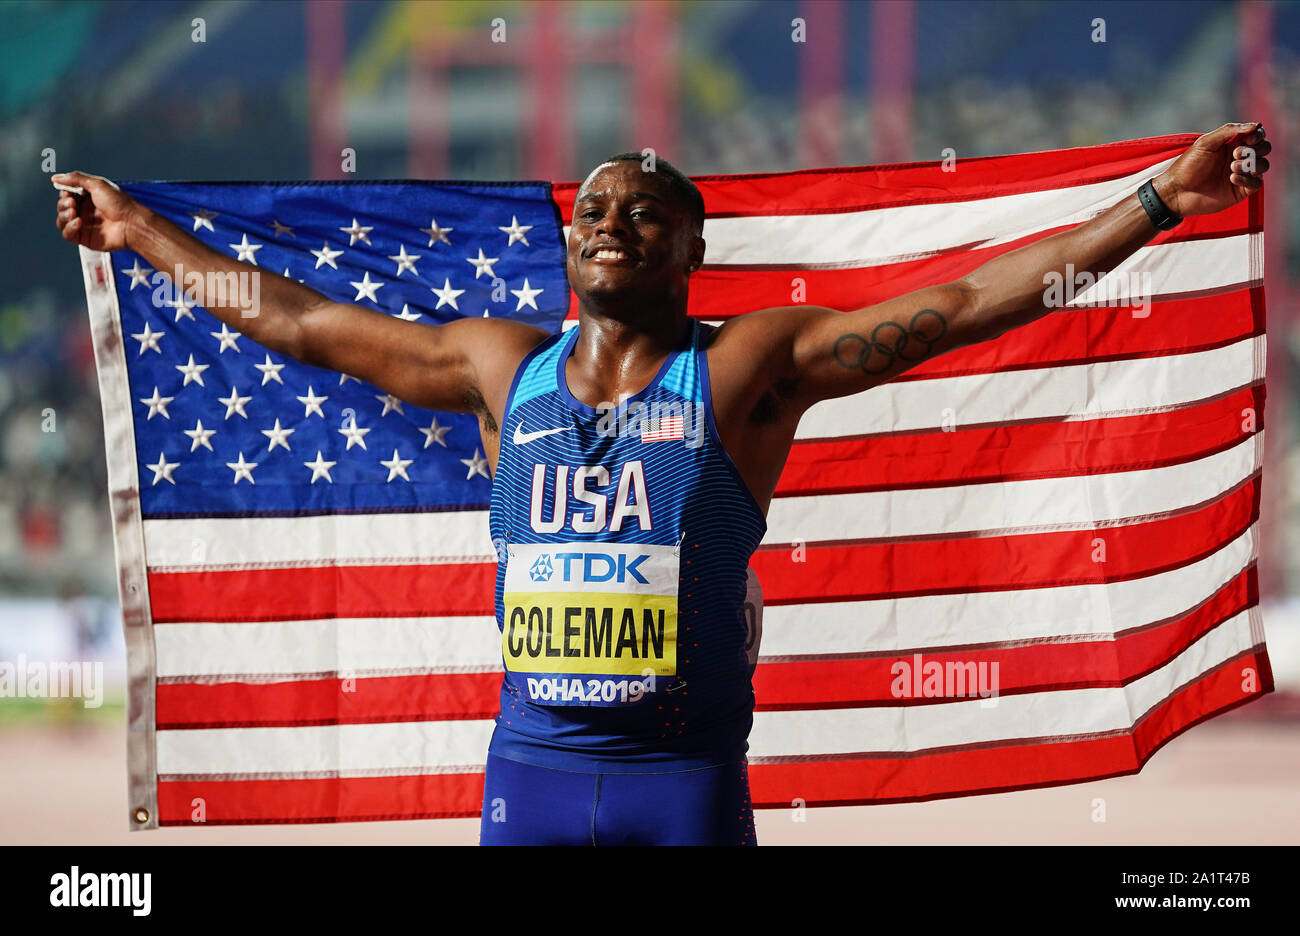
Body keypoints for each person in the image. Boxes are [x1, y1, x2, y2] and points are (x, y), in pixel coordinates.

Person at [53, 122, 1271, 845]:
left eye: (644, 212)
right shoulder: (497, 366)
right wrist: (137, 234)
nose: (610, 222)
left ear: (694, 249)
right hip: (526, 777)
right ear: (569, 240)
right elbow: (309, 326)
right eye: (592, 209)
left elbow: (957, 309)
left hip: (679, 788)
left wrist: (1161, 198)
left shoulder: (749, 365)